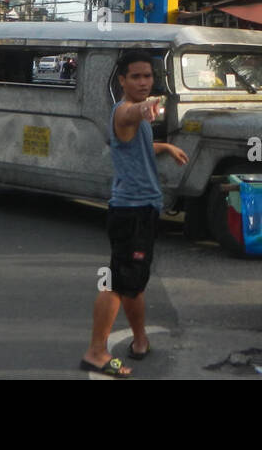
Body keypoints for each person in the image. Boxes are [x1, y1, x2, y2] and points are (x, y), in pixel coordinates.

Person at [80, 50, 188, 378]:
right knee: (118, 283)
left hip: (138, 210)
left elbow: (133, 145)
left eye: (147, 76)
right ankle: (96, 351)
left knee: (132, 282)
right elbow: (132, 114)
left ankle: (140, 340)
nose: (143, 82)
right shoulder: (126, 111)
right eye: (136, 77)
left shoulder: (132, 121)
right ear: (122, 81)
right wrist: (145, 107)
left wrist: (165, 147)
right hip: (133, 212)